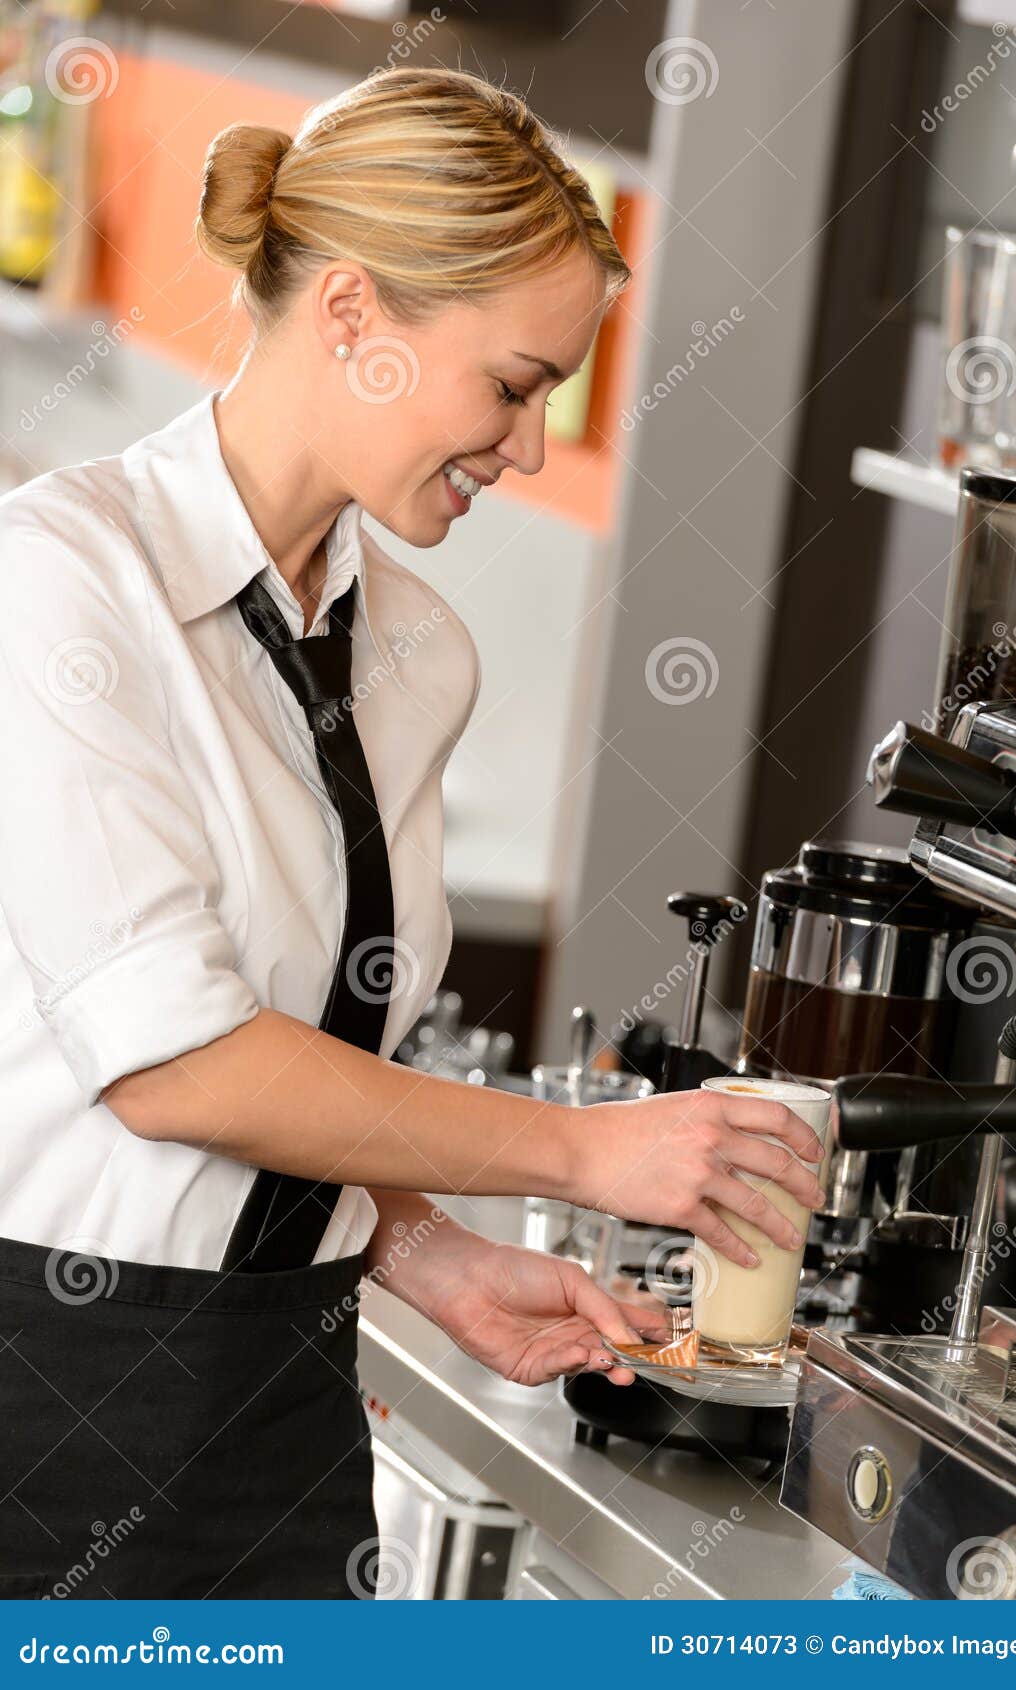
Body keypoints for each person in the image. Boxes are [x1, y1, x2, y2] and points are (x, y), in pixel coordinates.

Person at [0, 67, 824, 1599]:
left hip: (279, 1416)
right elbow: (177, 1064)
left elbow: (308, 1060)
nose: (525, 447)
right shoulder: (56, 585)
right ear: (354, 314)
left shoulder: (416, 651)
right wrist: (587, 1152)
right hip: (44, 1403)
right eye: (513, 385)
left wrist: (428, 1255)